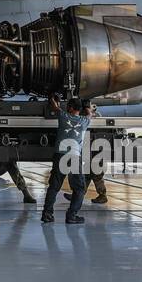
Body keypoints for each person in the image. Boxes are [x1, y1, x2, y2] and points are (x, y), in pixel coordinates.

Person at [42, 96, 91, 224]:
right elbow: (90, 113)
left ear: (69, 108)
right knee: (79, 188)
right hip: (74, 156)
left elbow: (55, 107)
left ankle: (47, 214)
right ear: (80, 109)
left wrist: (53, 99)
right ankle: (71, 215)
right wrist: (87, 108)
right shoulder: (85, 121)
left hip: (60, 155)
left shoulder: (63, 116)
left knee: (54, 186)